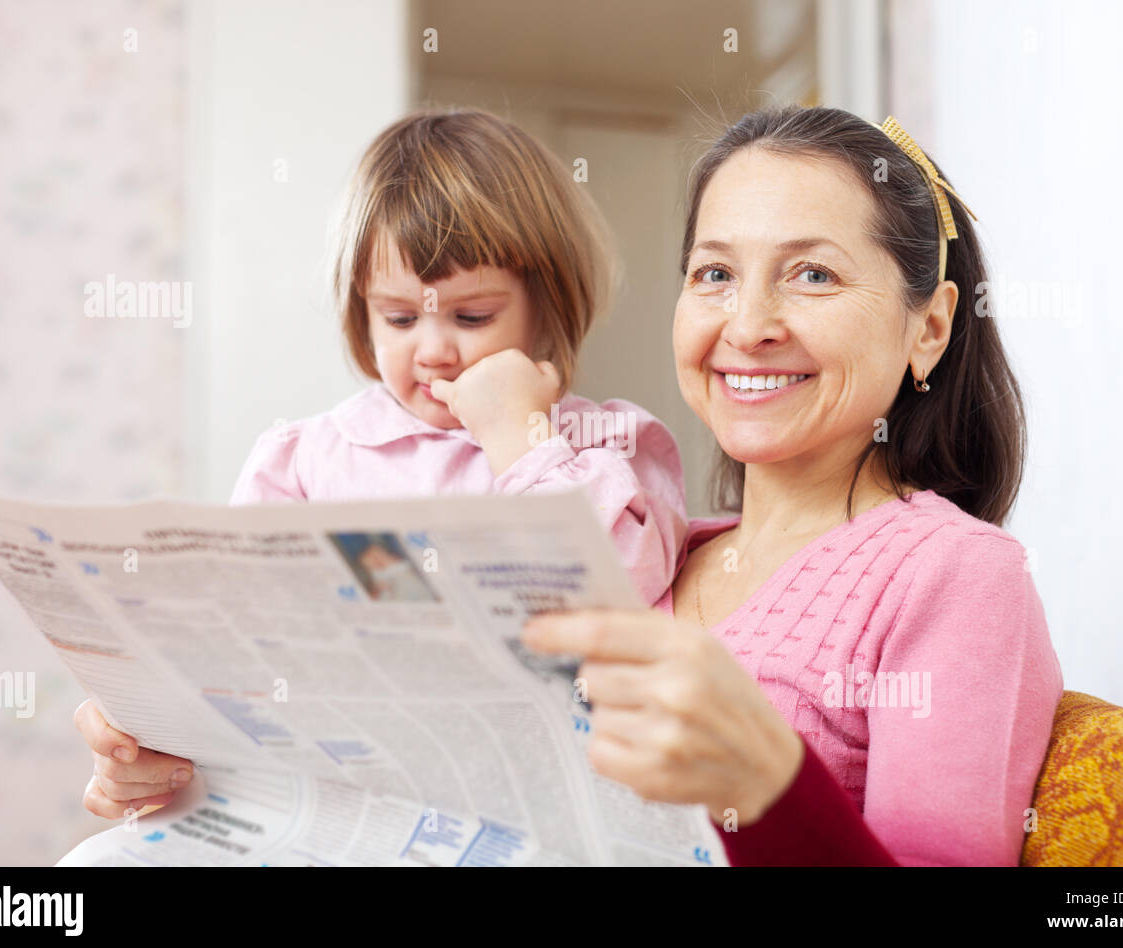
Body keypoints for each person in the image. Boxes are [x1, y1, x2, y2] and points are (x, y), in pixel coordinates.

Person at [73, 108, 688, 821]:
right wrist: (142, 734)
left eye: (472, 316)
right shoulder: (302, 460)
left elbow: (631, 586)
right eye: (399, 318)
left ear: (545, 307)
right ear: (361, 314)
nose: (431, 350)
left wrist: (521, 439)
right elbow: (228, 645)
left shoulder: (606, 442)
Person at [521, 106, 1063, 865]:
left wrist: (771, 786)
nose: (748, 326)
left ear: (930, 327)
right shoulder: (649, 550)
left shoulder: (958, 575)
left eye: (813, 274)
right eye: (715, 274)